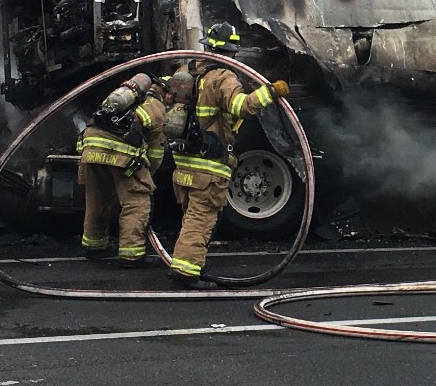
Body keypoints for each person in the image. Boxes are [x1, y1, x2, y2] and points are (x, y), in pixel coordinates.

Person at [166, 23, 288, 287]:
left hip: (183, 160)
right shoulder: (222, 77)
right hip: (208, 163)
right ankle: (186, 271)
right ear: (231, 52)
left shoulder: (184, 71)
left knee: (191, 216)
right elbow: (242, 107)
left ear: (208, 45)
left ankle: (192, 259)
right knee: (201, 218)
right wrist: (270, 92)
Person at [77, 73, 164, 262]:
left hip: (89, 151)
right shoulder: (156, 107)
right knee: (136, 204)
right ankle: (131, 255)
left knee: (96, 200)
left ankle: (94, 247)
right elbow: (156, 151)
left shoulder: (117, 97)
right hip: (120, 156)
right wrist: (149, 172)